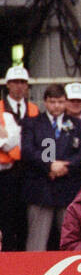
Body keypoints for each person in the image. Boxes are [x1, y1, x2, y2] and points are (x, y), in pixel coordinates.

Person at [22, 83, 81, 251]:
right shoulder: (33, 123)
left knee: (70, 240)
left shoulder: (77, 124)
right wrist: (50, 165)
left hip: (68, 188)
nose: (57, 106)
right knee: (37, 241)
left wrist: (66, 166)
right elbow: (28, 151)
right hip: (41, 188)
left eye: (60, 102)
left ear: (65, 102)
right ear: (45, 102)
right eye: (52, 102)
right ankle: (34, 274)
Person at [1, 66, 38, 251]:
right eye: (15, 82)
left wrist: (50, 161)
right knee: (6, 220)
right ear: (8, 85)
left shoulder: (34, 110)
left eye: (23, 82)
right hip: (5, 173)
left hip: (30, 173)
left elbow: (46, 139)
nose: (19, 87)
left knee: (26, 220)